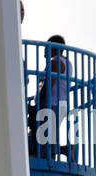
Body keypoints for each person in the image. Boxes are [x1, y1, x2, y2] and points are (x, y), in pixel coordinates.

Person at [28, 35, 76, 164]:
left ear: (54, 47)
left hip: (50, 106)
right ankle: (65, 150)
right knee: (42, 138)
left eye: (47, 45)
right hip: (58, 105)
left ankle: (48, 160)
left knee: (44, 144)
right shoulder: (67, 63)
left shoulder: (55, 62)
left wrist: (39, 105)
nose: (44, 49)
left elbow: (48, 84)